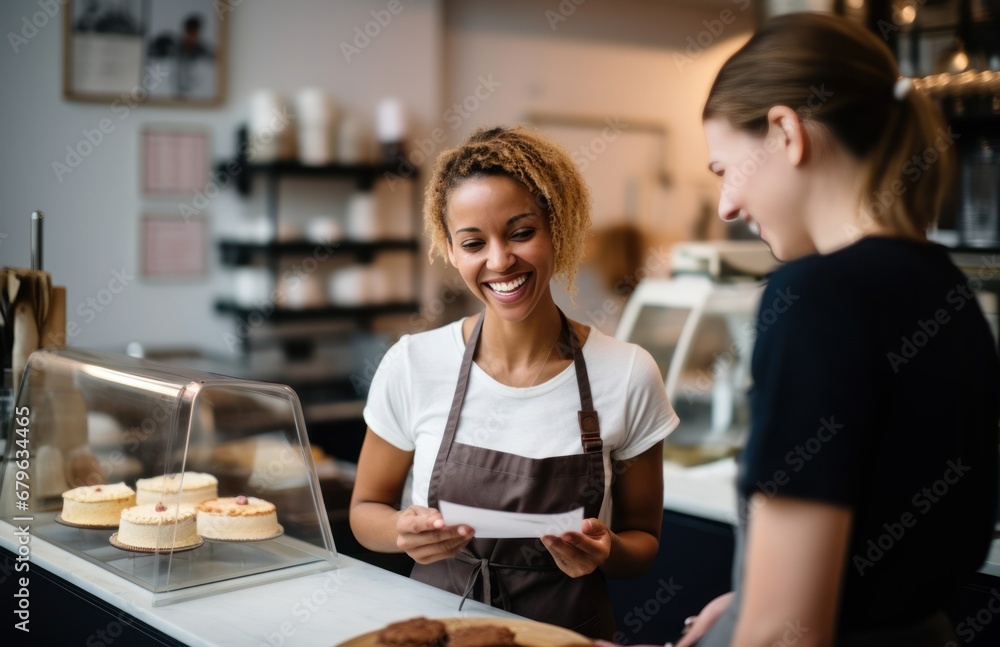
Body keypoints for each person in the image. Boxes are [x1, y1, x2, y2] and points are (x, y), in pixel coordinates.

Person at [670, 12, 1000, 647]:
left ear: (785, 132)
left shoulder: (816, 294)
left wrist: (761, 617)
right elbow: (886, 549)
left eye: (723, 169)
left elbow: (782, 636)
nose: (726, 207)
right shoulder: (947, 288)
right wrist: (755, 599)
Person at [349, 125, 679, 639]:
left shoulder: (628, 373)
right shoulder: (413, 363)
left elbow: (644, 544)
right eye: (474, 242)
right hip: (439, 632)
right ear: (451, 251)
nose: (500, 261)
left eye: (522, 232)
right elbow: (364, 510)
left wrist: (606, 550)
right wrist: (399, 532)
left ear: (558, 228)